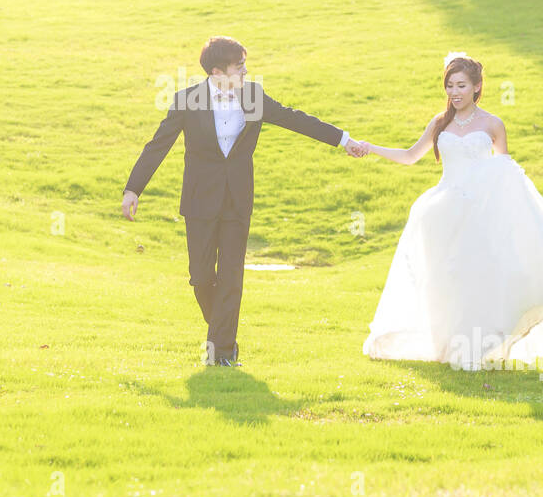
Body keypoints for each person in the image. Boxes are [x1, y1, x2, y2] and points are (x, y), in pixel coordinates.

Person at [122, 36, 366, 366]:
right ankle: (223, 333)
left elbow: (295, 119)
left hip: (238, 200)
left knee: (232, 276)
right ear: (217, 71)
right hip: (199, 201)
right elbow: (158, 145)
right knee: (201, 275)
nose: (246, 72)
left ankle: (221, 353)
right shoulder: (186, 101)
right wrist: (133, 189)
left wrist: (344, 140)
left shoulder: (253, 97)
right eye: (240, 67)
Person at [351, 52, 543, 371]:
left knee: (479, 280)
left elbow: (506, 175)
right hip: (443, 213)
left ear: (476, 87)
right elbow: (409, 156)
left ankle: (479, 349)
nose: (454, 93)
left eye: (461, 85)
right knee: (444, 281)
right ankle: (447, 348)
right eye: (449, 86)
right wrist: (370, 147)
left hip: (481, 214)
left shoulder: (492, 124)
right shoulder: (440, 123)